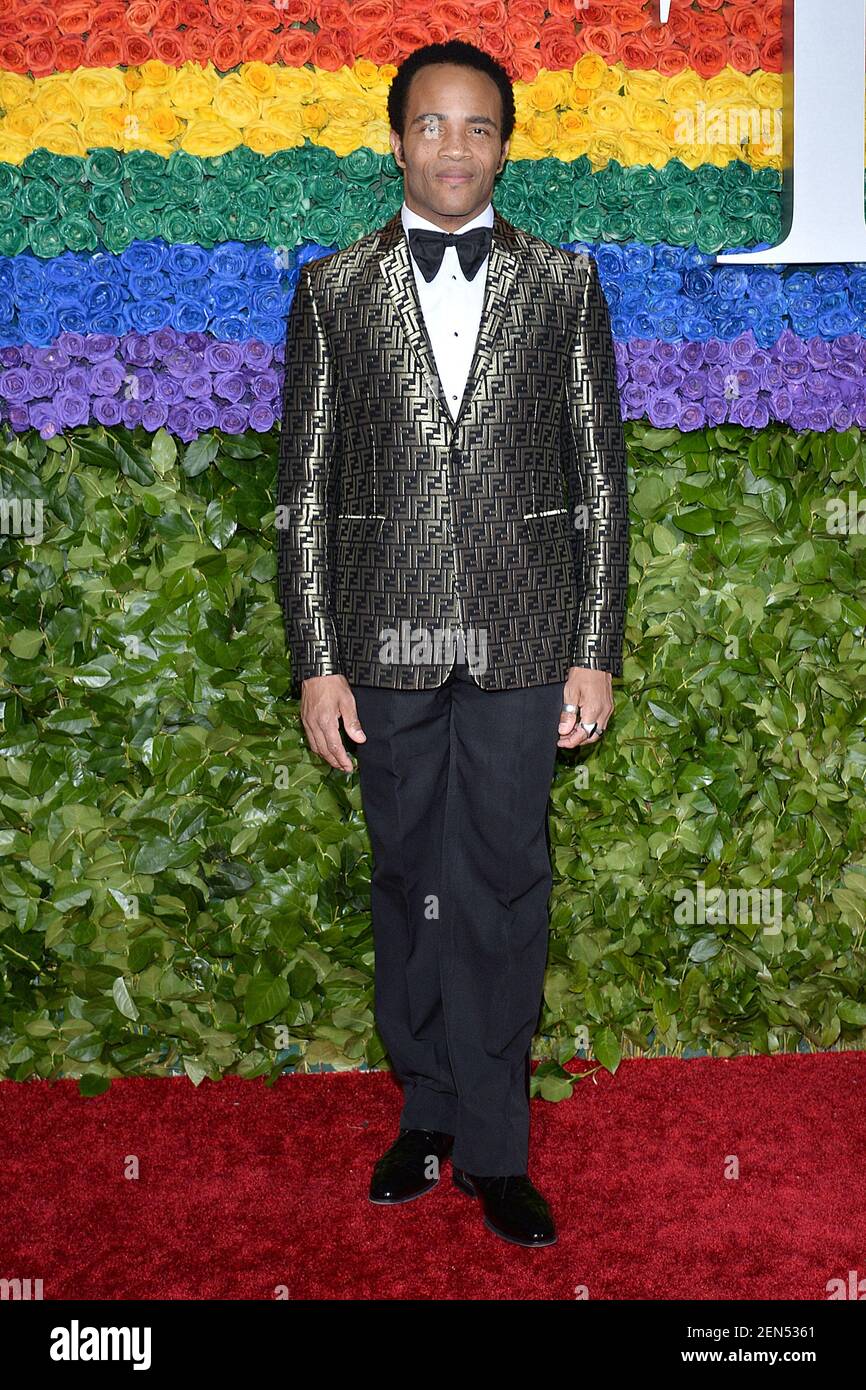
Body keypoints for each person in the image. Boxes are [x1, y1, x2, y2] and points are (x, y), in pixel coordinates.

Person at [277, 39, 629, 1249]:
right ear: (395, 139)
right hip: (381, 637)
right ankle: (423, 1113)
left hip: (529, 638)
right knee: (407, 884)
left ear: (503, 146)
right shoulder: (330, 288)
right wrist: (316, 657)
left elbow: (598, 479)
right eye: (431, 126)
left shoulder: (565, 282)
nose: (453, 149)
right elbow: (306, 487)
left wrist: (595, 646)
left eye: (478, 128)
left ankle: (494, 1143)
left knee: (502, 885)